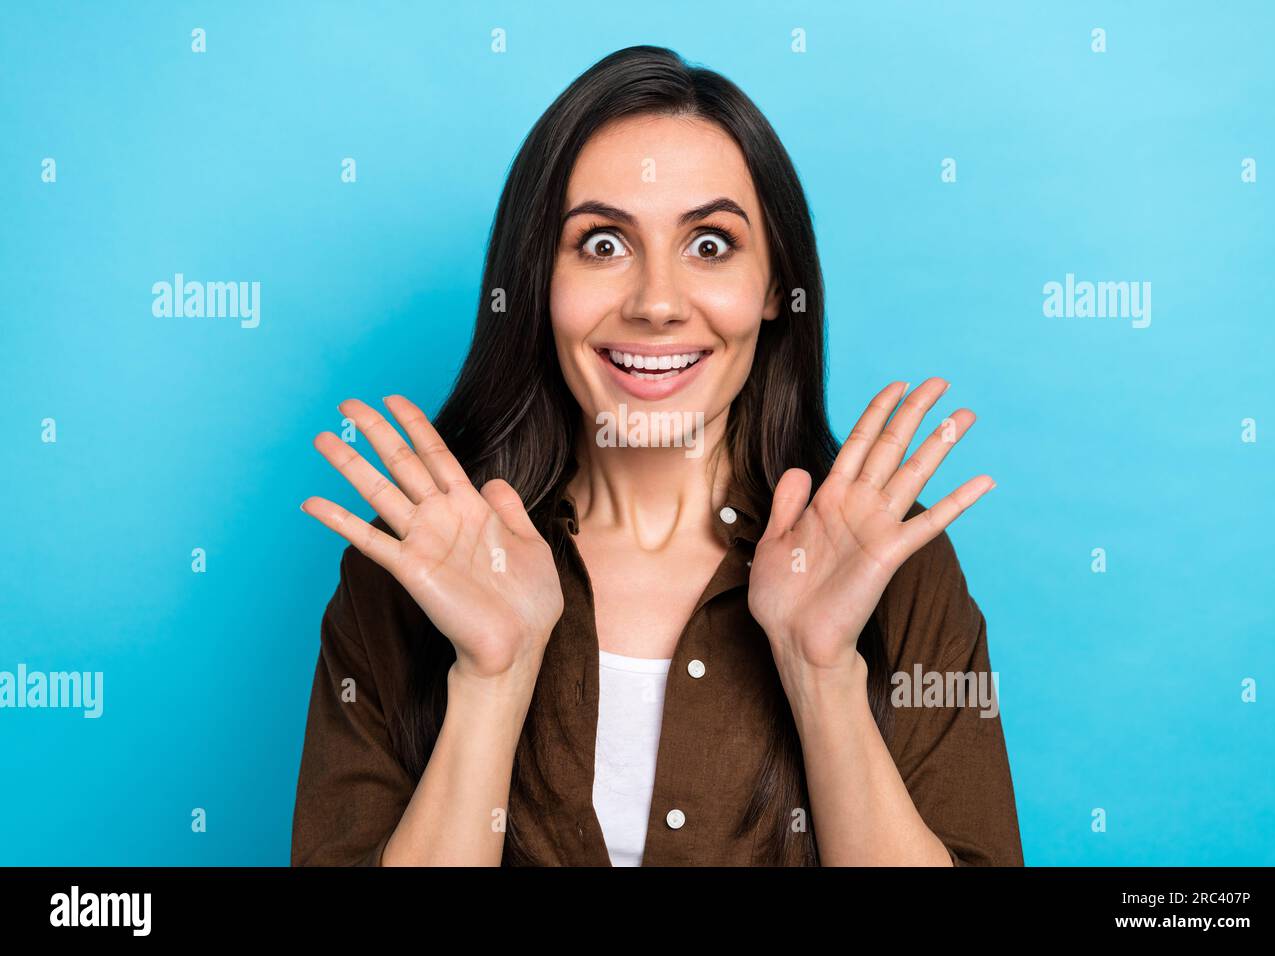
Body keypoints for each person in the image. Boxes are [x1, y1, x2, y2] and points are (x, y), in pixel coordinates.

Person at [292, 45, 1023, 867]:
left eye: (710, 245)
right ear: (537, 281)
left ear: (776, 286)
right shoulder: (416, 566)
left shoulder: (889, 562)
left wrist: (821, 674)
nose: (658, 304)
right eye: (603, 244)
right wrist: (492, 679)